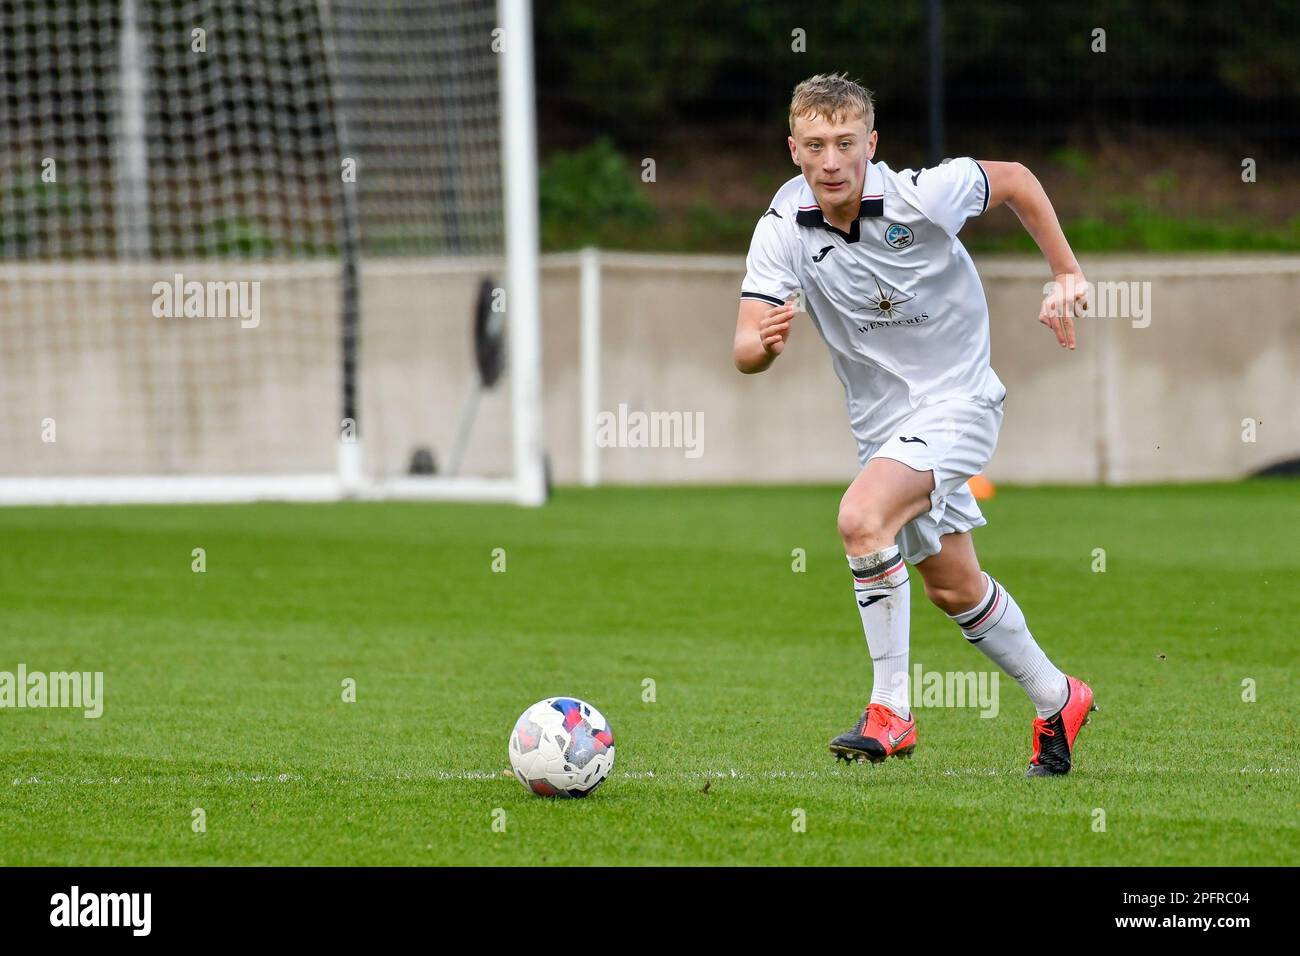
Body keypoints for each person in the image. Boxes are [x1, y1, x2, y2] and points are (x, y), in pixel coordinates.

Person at [733, 73, 1096, 777]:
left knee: (860, 518)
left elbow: (1017, 179)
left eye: (845, 143)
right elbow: (744, 348)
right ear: (793, 149)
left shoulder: (921, 194)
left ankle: (891, 710)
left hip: (959, 403)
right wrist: (765, 345)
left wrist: (1065, 271)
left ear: (871, 144)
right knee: (954, 586)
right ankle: (1059, 696)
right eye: (815, 145)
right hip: (882, 430)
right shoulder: (782, 225)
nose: (831, 160)